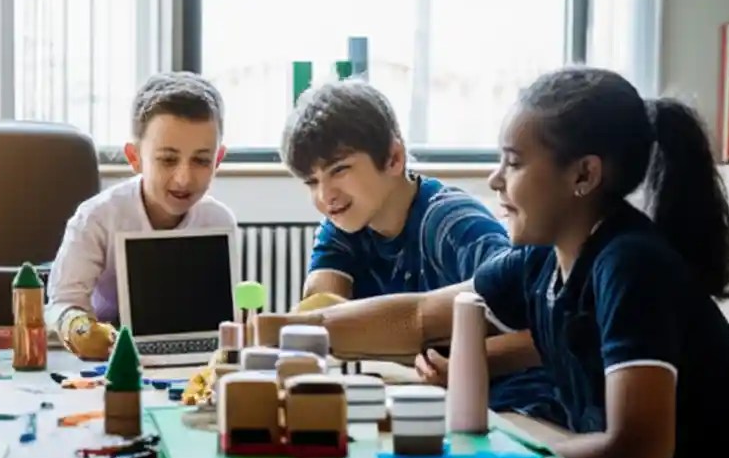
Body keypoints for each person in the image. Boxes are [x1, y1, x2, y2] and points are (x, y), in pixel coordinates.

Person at [305, 66, 729, 458]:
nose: (495, 179)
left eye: (513, 163)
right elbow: (416, 316)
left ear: (583, 175)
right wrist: (279, 332)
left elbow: (638, 450)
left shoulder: (630, 264)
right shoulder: (542, 260)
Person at [284, 80, 563, 424]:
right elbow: (323, 308)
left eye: (339, 170)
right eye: (311, 182)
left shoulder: (451, 224)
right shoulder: (342, 227)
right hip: (430, 399)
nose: (325, 195)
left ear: (394, 158)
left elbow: (547, 330)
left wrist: (468, 362)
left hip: (518, 403)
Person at [45, 71, 238, 360]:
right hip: (108, 358)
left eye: (201, 160)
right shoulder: (97, 218)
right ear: (134, 157)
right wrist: (77, 327)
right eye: (167, 160)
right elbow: (61, 303)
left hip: (195, 361)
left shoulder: (220, 221)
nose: (183, 179)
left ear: (218, 159)